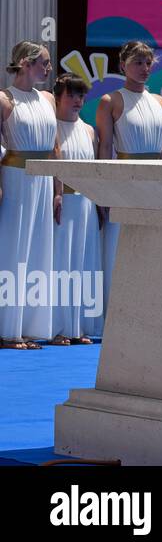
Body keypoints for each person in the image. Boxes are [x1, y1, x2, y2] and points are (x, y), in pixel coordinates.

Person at [95, 40, 162, 324]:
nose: (144, 68)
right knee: (119, 245)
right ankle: (116, 314)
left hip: (156, 183)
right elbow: (104, 148)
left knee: (154, 245)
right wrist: (104, 190)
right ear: (123, 66)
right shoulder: (111, 101)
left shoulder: (160, 101)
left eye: (148, 62)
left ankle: (150, 312)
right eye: (137, 62)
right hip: (126, 182)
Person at [0, 41, 59, 349]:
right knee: (14, 251)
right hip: (15, 180)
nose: (48, 69)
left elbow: (55, 147)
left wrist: (59, 189)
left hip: (43, 180)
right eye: (43, 63)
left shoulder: (48, 98)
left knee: (38, 252)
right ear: (25, 62)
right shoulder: (3, 99)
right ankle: (6, 330)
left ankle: (27, 327)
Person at [51, 73, 100, 344]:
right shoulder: (52, 128)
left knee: (83, 264)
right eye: (71, 95)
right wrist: (57, 195)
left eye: (81, 95)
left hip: (86, 205)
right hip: (63, 204)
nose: (77, 100)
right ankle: (59, 327)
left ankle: (78, 327)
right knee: (62, 264)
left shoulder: (89, 130)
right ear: (58, 97)